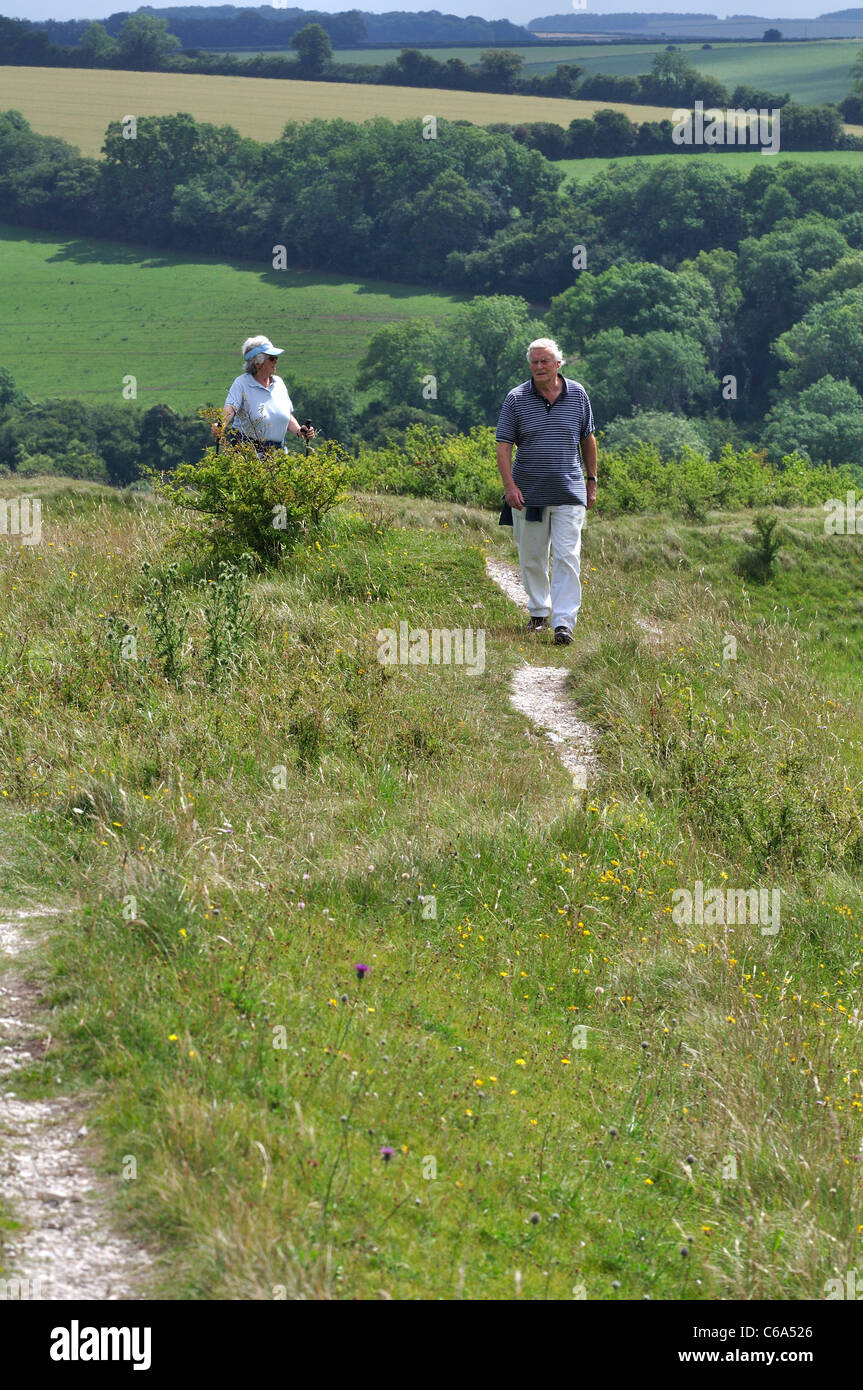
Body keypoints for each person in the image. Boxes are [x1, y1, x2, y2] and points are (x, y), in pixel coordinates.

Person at [495, 338, 597, 646]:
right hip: (530, 495)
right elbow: (503, 447)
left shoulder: (578, 394)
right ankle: (539, 612)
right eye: (535, 362)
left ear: (558, 364)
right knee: (532, 557)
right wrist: (509, 487)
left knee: (567, 557)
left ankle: (563, 623)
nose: (539, 366)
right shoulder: (516, 399)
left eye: (545, 361)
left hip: (569, 492)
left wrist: (592, 481)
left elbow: (587, 439)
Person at [211, 336, 314, 453]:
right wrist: (221, 424)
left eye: (276, 358)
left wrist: (300, 431)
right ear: (257, 363)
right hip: (247, 455)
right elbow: (230, 409)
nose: (276, 361)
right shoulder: (242, 383)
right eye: (272, 358)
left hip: (277, 455)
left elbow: (287, 416)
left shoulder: (279, 383)